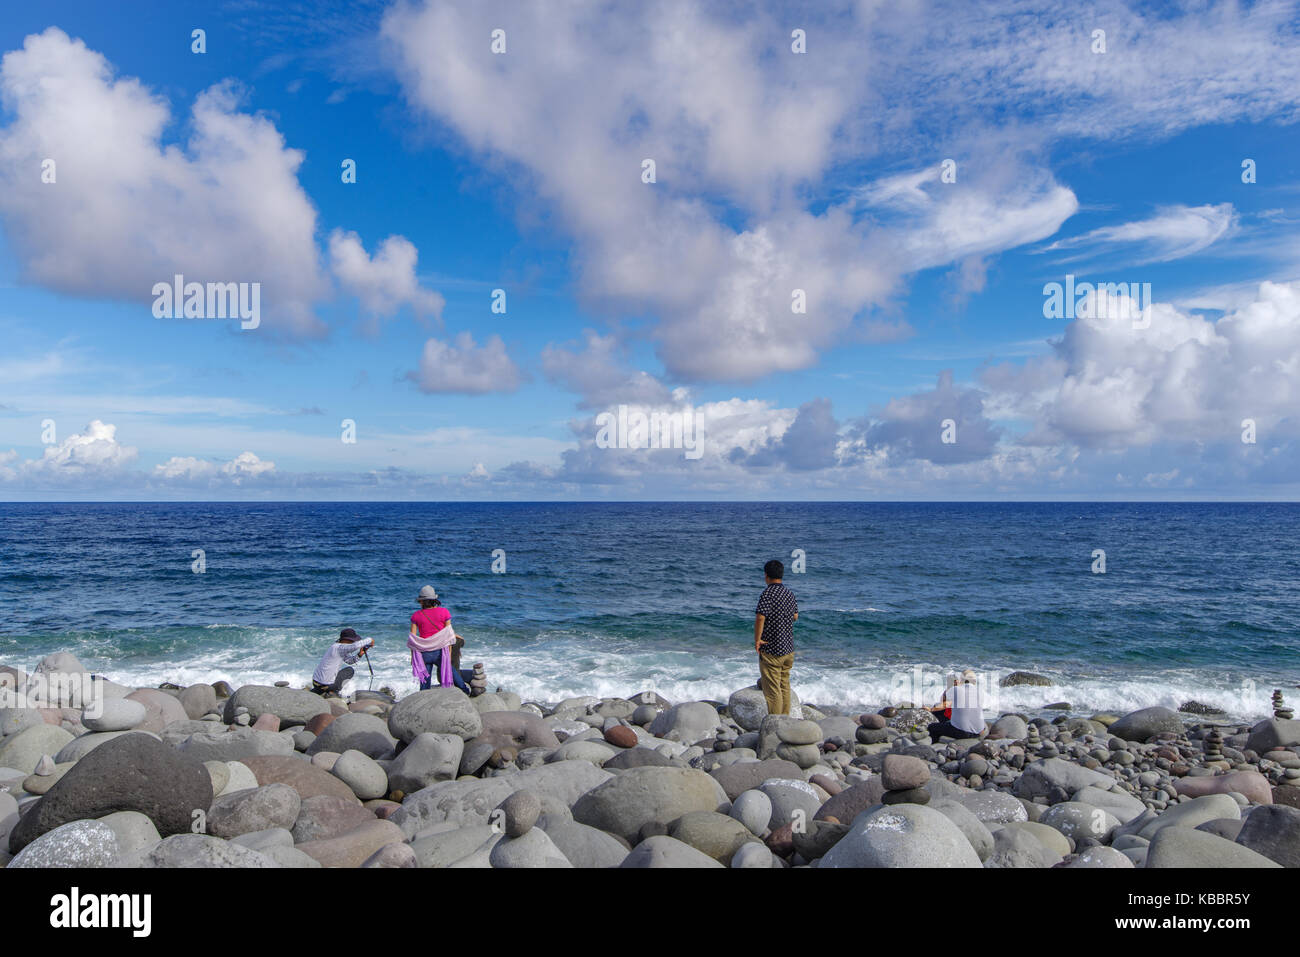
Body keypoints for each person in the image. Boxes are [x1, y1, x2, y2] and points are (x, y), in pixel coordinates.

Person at [754, 559, 798, 716]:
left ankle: (775, 725)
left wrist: (757, 640)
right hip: (788, 648)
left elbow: (760, 617)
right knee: (784, 685)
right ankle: (785, 720)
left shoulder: (767, 594)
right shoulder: (789, 594)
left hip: (772, 649)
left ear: (766, 576)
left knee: (773, 691)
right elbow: (795, 616)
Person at [409, 585, 471, 693]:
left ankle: (422, 700)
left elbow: (413, 640)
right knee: (451, 672)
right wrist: (449, 652)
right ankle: (464, 690)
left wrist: (413, 658)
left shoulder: (416, 616)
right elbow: (448, 635)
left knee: (424, 682)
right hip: (440, 652)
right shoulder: (444, 612)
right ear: (434, 600)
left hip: (424, 653)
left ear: (422, 601)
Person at [311, 628, 374, 696]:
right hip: (325, 685)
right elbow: (355, 646)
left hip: (315, 682)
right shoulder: (340, 647)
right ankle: (333, 692)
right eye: (352, 641)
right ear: (346, 640)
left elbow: (350, 661)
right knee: (349, 671)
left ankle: (321, 690)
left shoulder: (335, 647)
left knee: (344, 670)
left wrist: (360, 654)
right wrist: (370, 640)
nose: (353, 642)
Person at [927, 669, 986, 739]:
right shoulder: (980, 692)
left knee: (932, 727)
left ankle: (934, 745)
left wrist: (931, 709)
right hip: (979, 732)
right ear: (975, 681)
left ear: (961, 680)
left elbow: (944, 702)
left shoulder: (956, 689)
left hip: (962, 732)